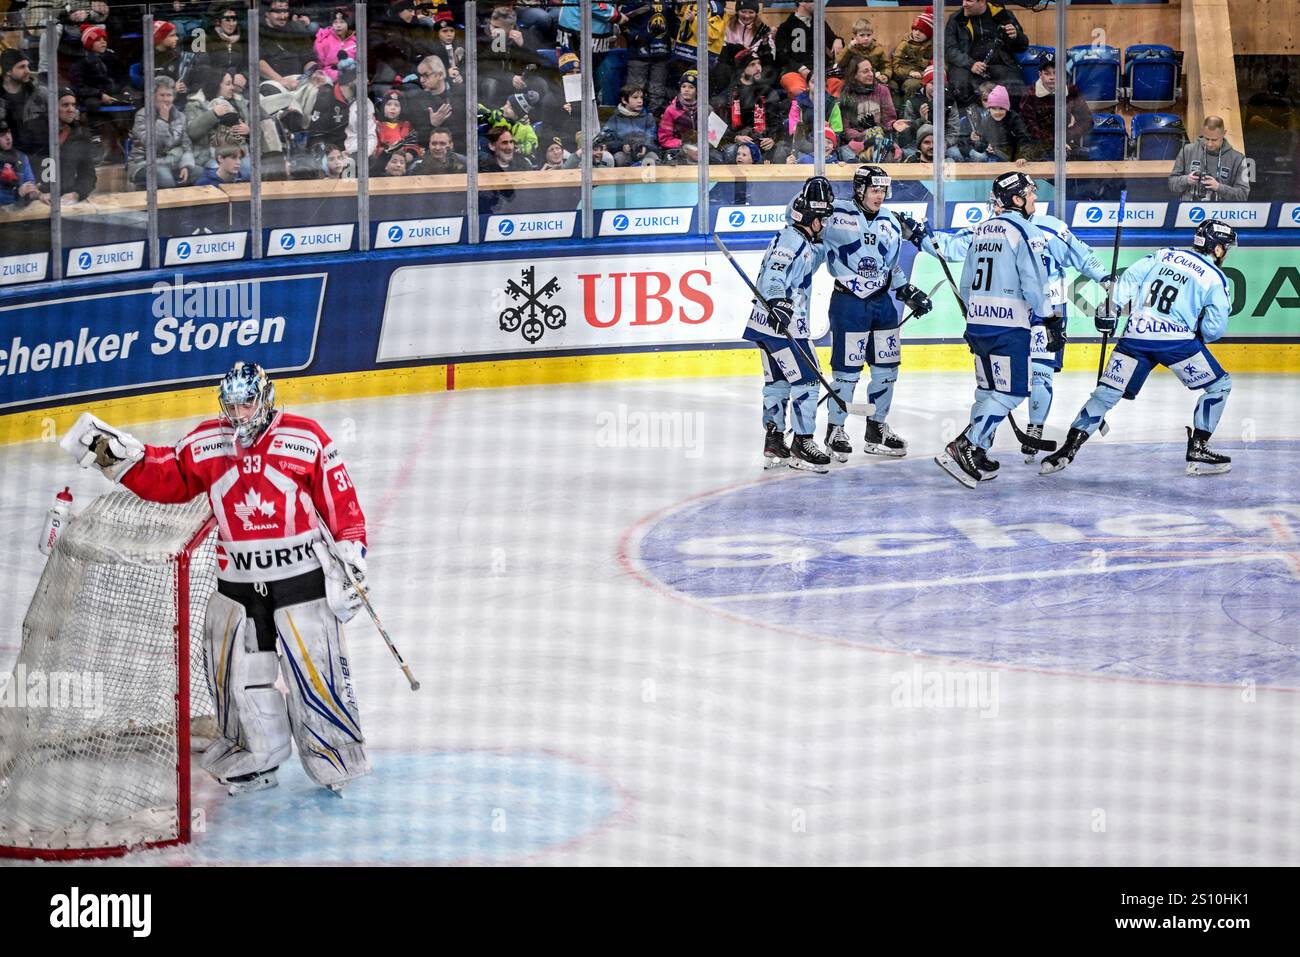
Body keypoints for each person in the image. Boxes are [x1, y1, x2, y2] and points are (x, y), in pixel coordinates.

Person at [60, 362, 372, 796]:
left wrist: (352, 559)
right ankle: (255, 753)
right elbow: (168, 476)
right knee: (238, 676)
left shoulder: (306, 438)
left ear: (265, 398)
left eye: (249, 403)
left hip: (300, 580)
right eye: (233, 405)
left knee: (314, 671)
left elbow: (343, 505)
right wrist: (116, 455)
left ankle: (334, 753)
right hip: (238, 584)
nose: (241, 414)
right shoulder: (207, 441)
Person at [1041, 220, 1238, 478]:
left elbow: (1130, 278)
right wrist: (1197, 333)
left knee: (1105, 394)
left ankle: (1066, 451)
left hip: (1135, 337)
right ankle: (1199, 446)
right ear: (1219, 250)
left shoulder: (1163, 254)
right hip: (1176, 344)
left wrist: (1110, 309)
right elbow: (1215, 328)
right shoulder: (1215, 277)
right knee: (1219, 385)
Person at [933, 171, 1052, 488]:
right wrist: (1048, 317)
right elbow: (1034, 282)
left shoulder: (982, 230)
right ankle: (967, 444)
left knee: (987, 391)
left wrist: (974, 315)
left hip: (979, 324)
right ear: (1017, 199)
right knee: (1012, 391)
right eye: (1030, 194)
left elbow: (967, 283)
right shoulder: (1025, 231)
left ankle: (980, 451)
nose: (1034, 200)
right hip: (1009, 327)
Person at [820, 166, 932, 461]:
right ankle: (835, 430)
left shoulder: (891, 223)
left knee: (887, 370)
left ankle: (876, 429)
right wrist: (811, 197)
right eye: (874, 190)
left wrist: (906, 291)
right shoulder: (836, 213)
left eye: (883, 190)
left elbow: (890, 266)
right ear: (859, 189)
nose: (879, 196)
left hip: (882, 304)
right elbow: (800, 220)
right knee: (847, 373)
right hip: (849, 302)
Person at [743, 176, 836, 472]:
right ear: (812, 218)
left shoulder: (802, 239)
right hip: (784, 325)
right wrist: (778, 302)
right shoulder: (792, 240)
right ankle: (803, 443)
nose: (826, 223)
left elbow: (818, 255)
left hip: (764, 325)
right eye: (823, 217)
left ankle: (774, 438)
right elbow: (774, 273)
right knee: (808, 380)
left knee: (778, 382)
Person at [943, 0, 1028, 109]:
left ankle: (1009, 122)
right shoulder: (955, 19)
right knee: (959, 86)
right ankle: (964, 124)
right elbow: (949, 50)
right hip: (966, 67)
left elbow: (1022, 47)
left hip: (999, 65)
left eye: (969, 0)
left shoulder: (1003, 15)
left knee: (1015, 86)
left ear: (982, 1)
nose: (964, 4)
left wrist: (1017, 36)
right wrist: (971, 64)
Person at [127, 75, 198, 189]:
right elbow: (153, 145)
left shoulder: (181, 117)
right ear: (153, 96)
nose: (166, 99)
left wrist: (185, 165)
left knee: (198, 173)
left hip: (171, 162)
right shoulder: (142, 115)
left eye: (169, 95)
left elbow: (186, 145)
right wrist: (162, 120)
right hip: (143, 163)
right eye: (162, 95)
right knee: (164, 177)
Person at [1017, 51, 1091, 161]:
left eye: (1056, 73)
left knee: (1084, 156)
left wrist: (1066, 137)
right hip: (1037, 145)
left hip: (1065, 142)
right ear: (1040, 75)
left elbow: (1087, 121)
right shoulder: (1030, 94)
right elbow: (1028, 126)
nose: (1052, 77)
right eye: (1047, 73)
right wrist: (1053, 144)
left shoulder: (1071, 91)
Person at [34, 89, 98, 205]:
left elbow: (88, 174)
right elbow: (23, 168)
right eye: (65, 105)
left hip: (65, 201)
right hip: (37, 200)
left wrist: (77, 193)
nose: (71, 110)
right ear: (53, 107)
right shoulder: (35, 131)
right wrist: (37, 194)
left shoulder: (81, 135)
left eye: (73, 105)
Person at [1167, 116, 1252, 201]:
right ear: (1203, 132)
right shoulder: (1187, 150)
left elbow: (1243, 195)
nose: (1209, 144)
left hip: (1220, 212)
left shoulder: (1238, 159)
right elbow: (1171, 184)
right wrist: (1186, 180)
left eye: (1214, 140)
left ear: (1224, 133)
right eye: (1207, 139)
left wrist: (1219, 187)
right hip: (1189, 210)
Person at [620, 2, 678, 117]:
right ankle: (631, 118)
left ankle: (654, 118)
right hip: (638, 53)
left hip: (661, 53)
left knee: (657, 90)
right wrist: (635, 37)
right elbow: (623, 20)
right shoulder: (636, 3)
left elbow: (674, 25)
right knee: (635, 89)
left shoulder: (668, 3)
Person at [775, 0, 843, 97]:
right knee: (797, 90)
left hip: (822, 71)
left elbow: (833, 40)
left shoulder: (820, 23)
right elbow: (781, 56)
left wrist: (838, 40)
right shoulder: (786, 27)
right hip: (795, 71)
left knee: (838, 86)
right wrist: (801, 68)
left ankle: (831, 111)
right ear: (802, 2)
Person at [0, 49, 48, 156]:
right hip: (8, 158)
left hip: (40, 154)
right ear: (8, 71)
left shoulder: (40, 93)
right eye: (22, 67)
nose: (27, 71)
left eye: (27, 66)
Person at [603, 83, 660, 166]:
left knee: (653, 157)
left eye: (641, 97)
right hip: (624, 154)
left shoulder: (648, 118)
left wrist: (646, 147)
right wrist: (621, 146)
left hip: (643, 153)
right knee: (619, 158)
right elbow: (607, 138)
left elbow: (652, 137)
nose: (640, 101)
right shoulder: (615, 118)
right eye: (635, 97)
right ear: (624, 100)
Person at [890, 8, 934, 100]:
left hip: (923, 76)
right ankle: (904, 111)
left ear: (929, 34)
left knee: (917, 85)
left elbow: (936, 65)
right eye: (915, 29)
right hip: (903, 76)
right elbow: (896, 65)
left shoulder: (933, 47)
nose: (917, 33)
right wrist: (910, 72)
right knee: (909, 85)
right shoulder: (904, 44)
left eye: (922, 31)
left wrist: (923, 74)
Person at [0, 120, 39, 206]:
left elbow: (30, 181)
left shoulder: (21, 157)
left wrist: (32, 192)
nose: (8, 137)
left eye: (9, 133)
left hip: (19, 212)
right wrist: (17, 194)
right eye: (2, 135)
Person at [314, 6, 358, 82]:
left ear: (348, 24)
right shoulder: (324, 40)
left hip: (351, 77)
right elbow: (321, 64)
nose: (338, 25)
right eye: (335, 22)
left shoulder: (355, 41)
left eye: (342, 22)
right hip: (329, 77)